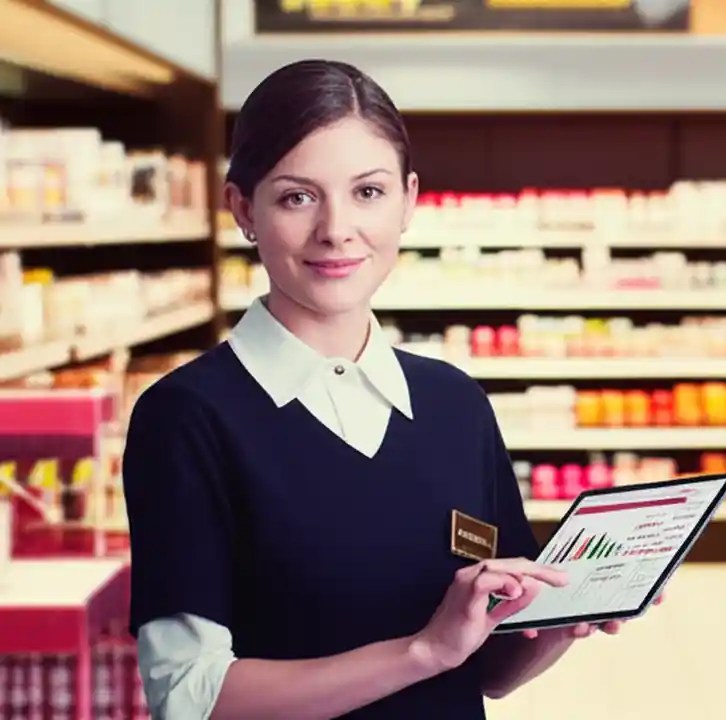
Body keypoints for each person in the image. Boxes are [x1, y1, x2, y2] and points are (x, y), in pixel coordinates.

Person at [122, 59, 649, 720]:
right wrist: (420, 652)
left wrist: (563, 620)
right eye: (297, 197)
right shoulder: (186, 417)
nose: (336, 229)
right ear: (243, 209)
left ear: (408, 201)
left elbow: (488, 672)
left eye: (368, 192)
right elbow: (188, 698)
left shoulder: (456, 405)